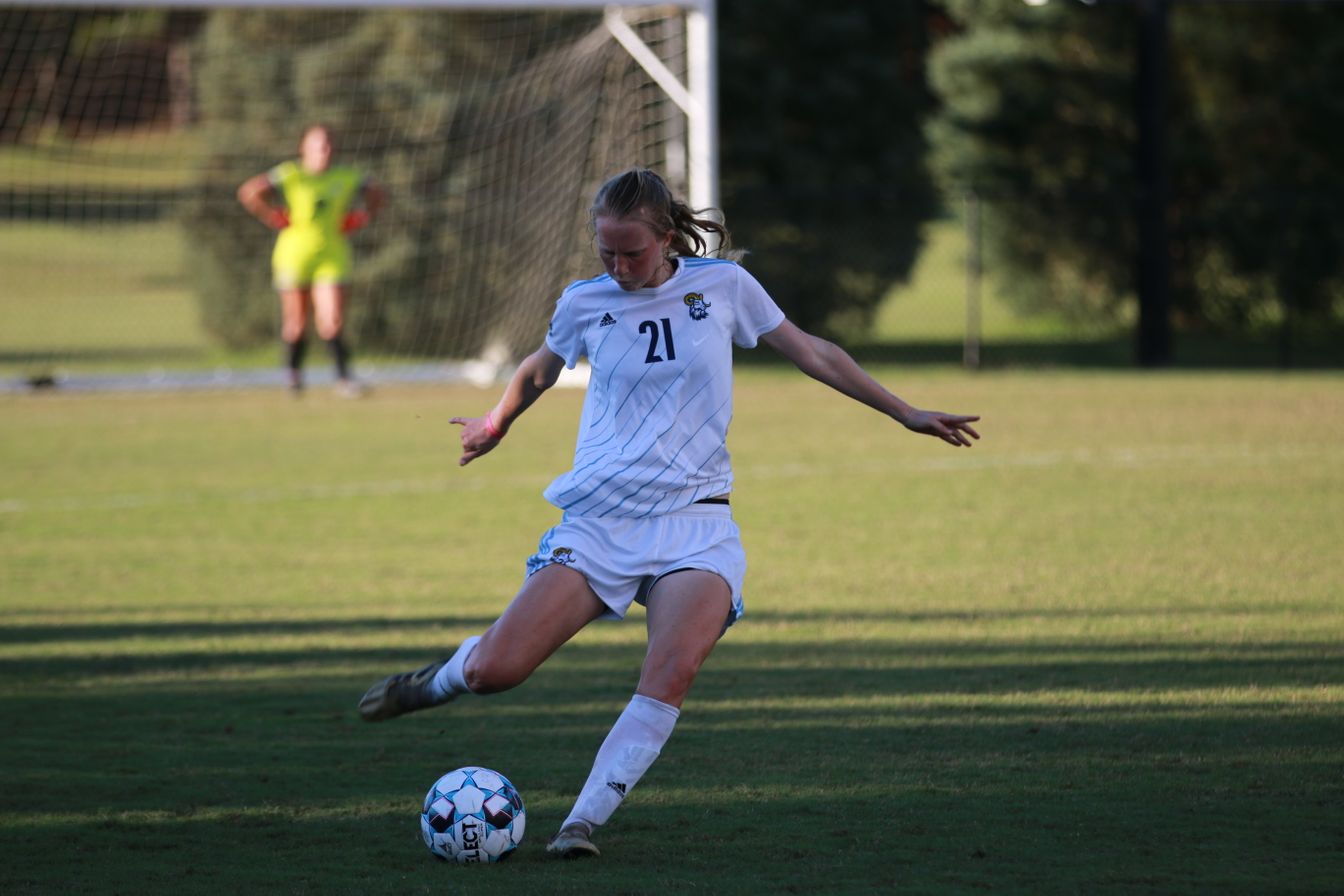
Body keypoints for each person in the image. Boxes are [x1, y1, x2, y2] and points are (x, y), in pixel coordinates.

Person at [358, 168, 980, 858]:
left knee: (671, 671)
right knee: (494, 673)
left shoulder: (724, 288)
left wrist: (905, 412)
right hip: (600, 524)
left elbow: (813, 352)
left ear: (665, 237)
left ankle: (579, 826)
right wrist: (496, 422)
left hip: (697, 524)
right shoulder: (586, 301)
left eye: (633, 253)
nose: (620, 267)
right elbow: (541, 366)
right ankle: (433, 684)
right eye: (607, 254)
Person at [237, 124, 385, 396]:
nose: (324, 151)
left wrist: (364, 216)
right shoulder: (290, 174)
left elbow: (376, 192)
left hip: (332, 254)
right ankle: (293, 377)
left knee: (333, 319)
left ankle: (343, 379)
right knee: (296, 323)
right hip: (294, 255)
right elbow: (249, 192)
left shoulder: (347, 176)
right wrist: (271, 215)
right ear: (303, 148)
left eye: (329, 145)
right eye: (318, 146)